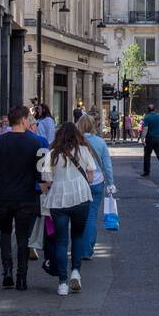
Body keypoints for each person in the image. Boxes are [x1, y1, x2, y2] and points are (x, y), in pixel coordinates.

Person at [0, 104, 44, 291]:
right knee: (23, 238)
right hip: (26, 197)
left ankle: (7, 271)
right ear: (23, 120)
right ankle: (21, 277)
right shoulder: (36, 143)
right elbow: (41, 176)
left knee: (5, 234)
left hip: (3, 197)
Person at [40, 122, 97, 296]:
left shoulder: (51, 154)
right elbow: (91, 176)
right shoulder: (84, 151)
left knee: (61, 241)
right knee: (78, 235)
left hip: (58, 200)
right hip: (81, 197)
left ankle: (62, 283)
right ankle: (76, 272)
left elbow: (46, 180)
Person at [76, 113, 115, 259]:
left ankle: (78, 249)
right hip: (97, 182)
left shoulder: (75, 141)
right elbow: (107, 165)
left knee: (78, 217)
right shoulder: (100, 142)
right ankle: (87, 250)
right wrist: (111, 183)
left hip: (79, 183)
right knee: (91, 216)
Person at [140, 104, 159, 177]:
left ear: (148, 110)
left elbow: (145, 128)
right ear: (155, 109)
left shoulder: (147, 117)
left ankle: (147, 171)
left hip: (150, 138)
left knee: (147, 155)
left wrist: (142, 139)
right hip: (158, 138)